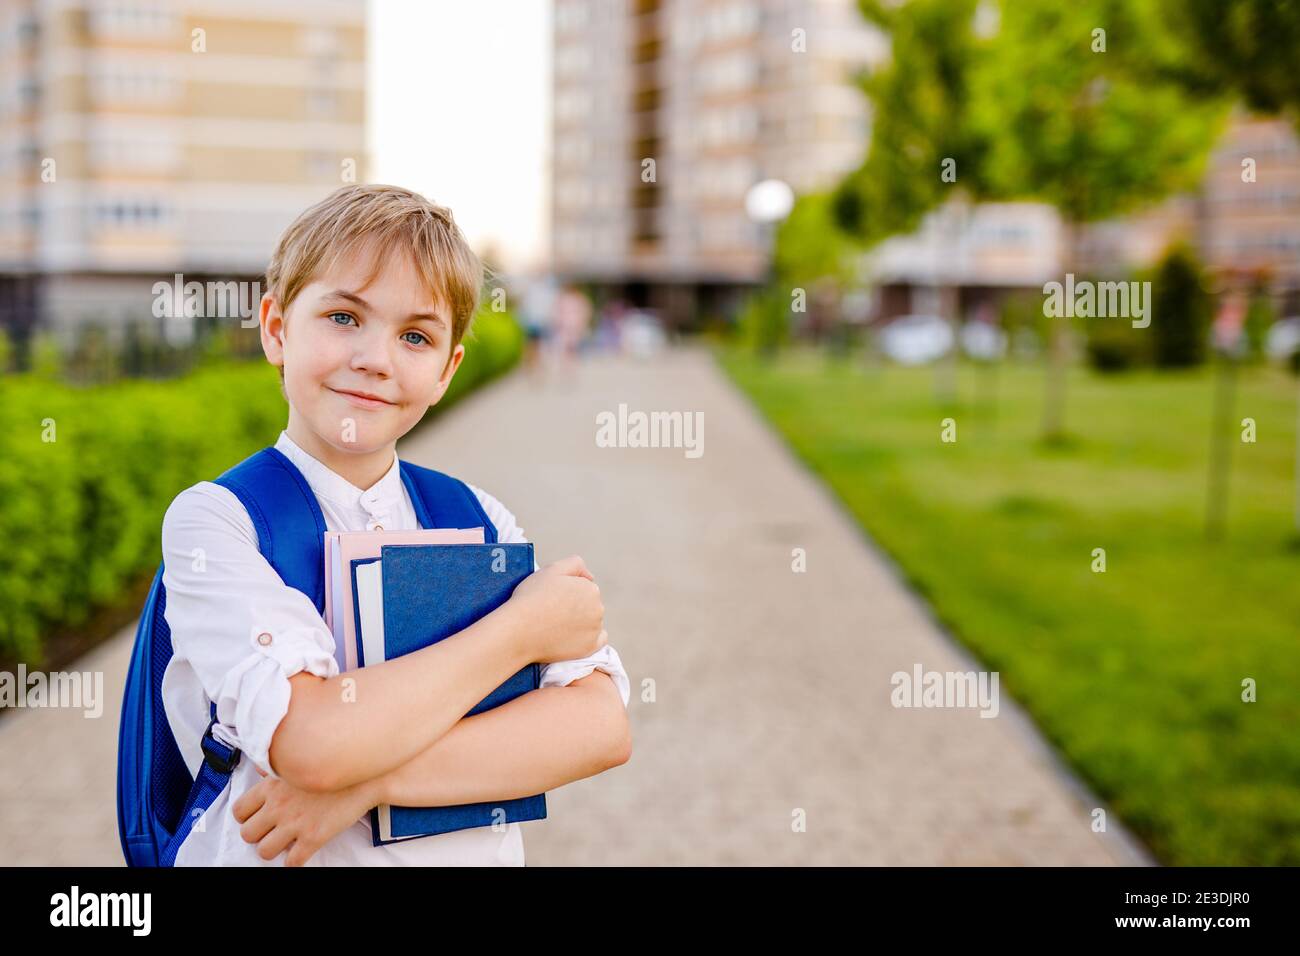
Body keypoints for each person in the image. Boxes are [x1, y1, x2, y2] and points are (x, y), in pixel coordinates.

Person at [158, 184, 631, 866]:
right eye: (345, 318)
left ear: (447, 371)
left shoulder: (477, 516)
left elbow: (599, 724)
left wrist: (369, 782)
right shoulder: (221, 521)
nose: (376, 358)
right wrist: (524, 628)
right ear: (275, 328)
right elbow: (313, 741)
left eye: (415, 335)